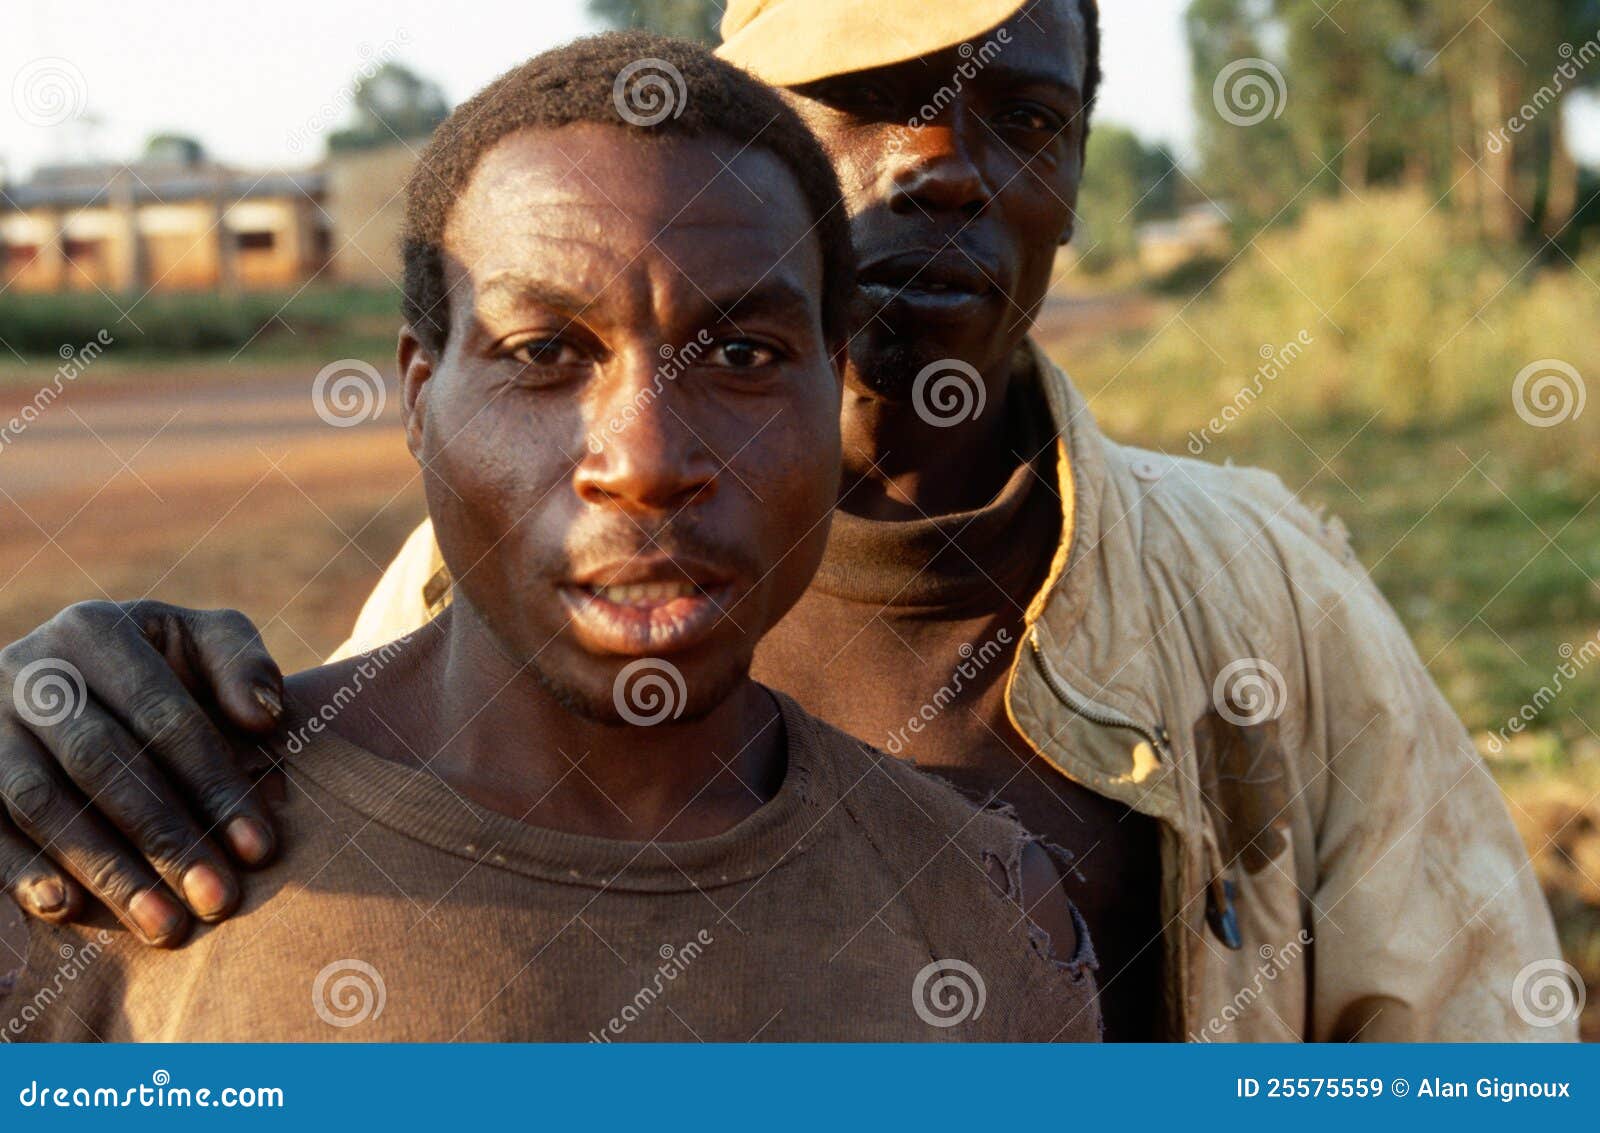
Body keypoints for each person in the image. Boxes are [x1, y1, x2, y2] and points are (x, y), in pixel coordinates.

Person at [0, 0, 1568, 1041]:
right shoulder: (486, 590)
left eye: (1022, 118)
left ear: (1083, 170)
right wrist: (65, 719)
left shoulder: (1257, 595)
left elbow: (1479, 1041)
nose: (945, 169)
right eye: (872, 105)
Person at [0, 33, 1099, 1043]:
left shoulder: (987, 914)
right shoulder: (116, 862)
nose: (646, 456)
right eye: (542, 352)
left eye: (746, 355)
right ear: (420, 399)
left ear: (833, 386)